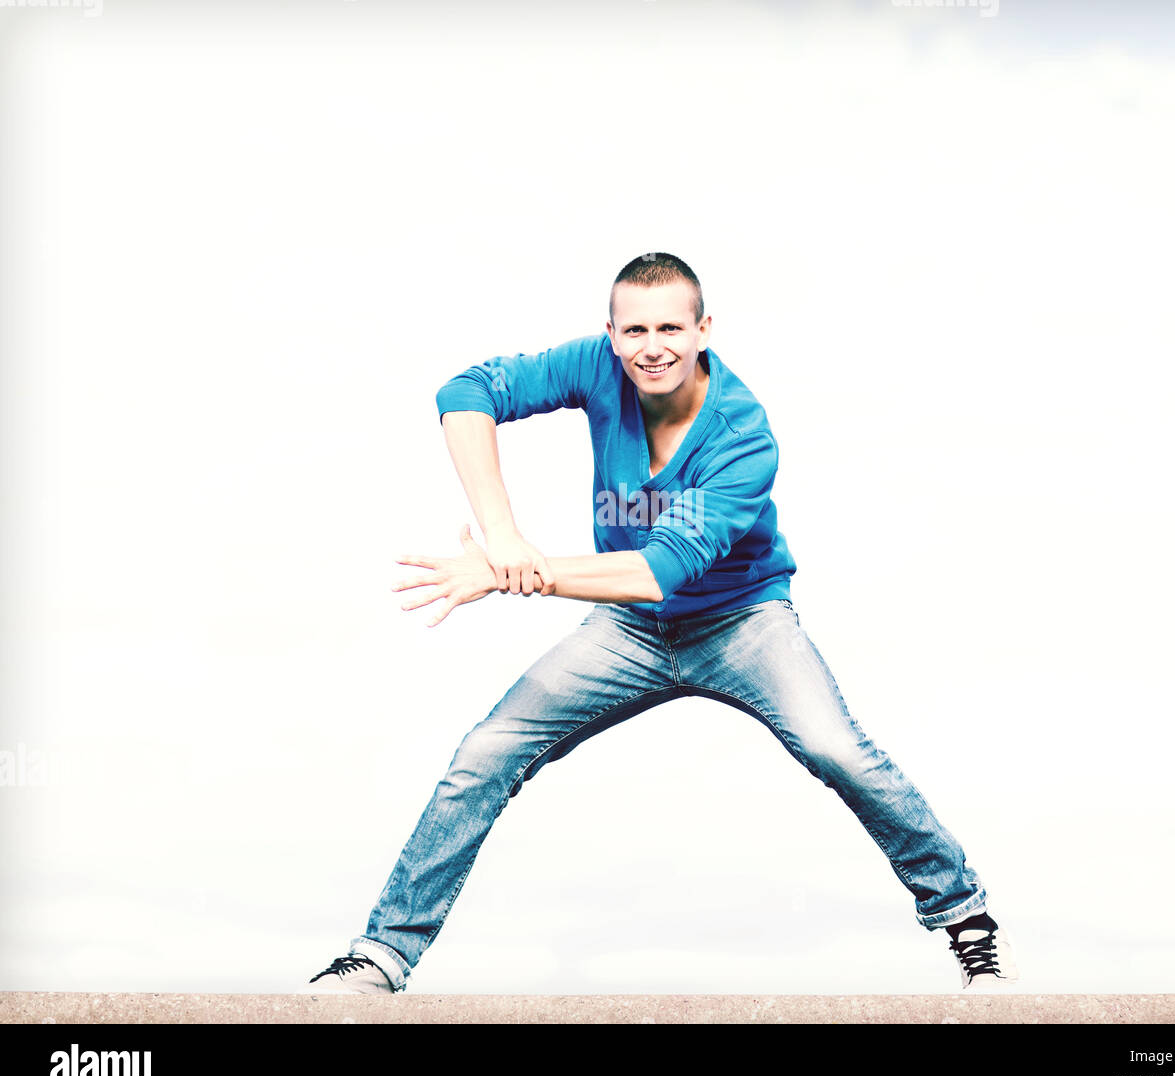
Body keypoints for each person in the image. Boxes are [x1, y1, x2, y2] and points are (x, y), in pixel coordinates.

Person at [308, 253, 1018, 995]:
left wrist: (519, 572)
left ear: (703, 330)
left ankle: (968, 923)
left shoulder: (741, 435)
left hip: (741, 621)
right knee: (484, 753)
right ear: (612, 334)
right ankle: (380, 957)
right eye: (635, 330)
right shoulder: (597, 367)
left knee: (837, 748)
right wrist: (503, 534)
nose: (653, 348)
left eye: (672, 329)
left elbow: (658, 571)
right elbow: (465, 393)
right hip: (629, 631)